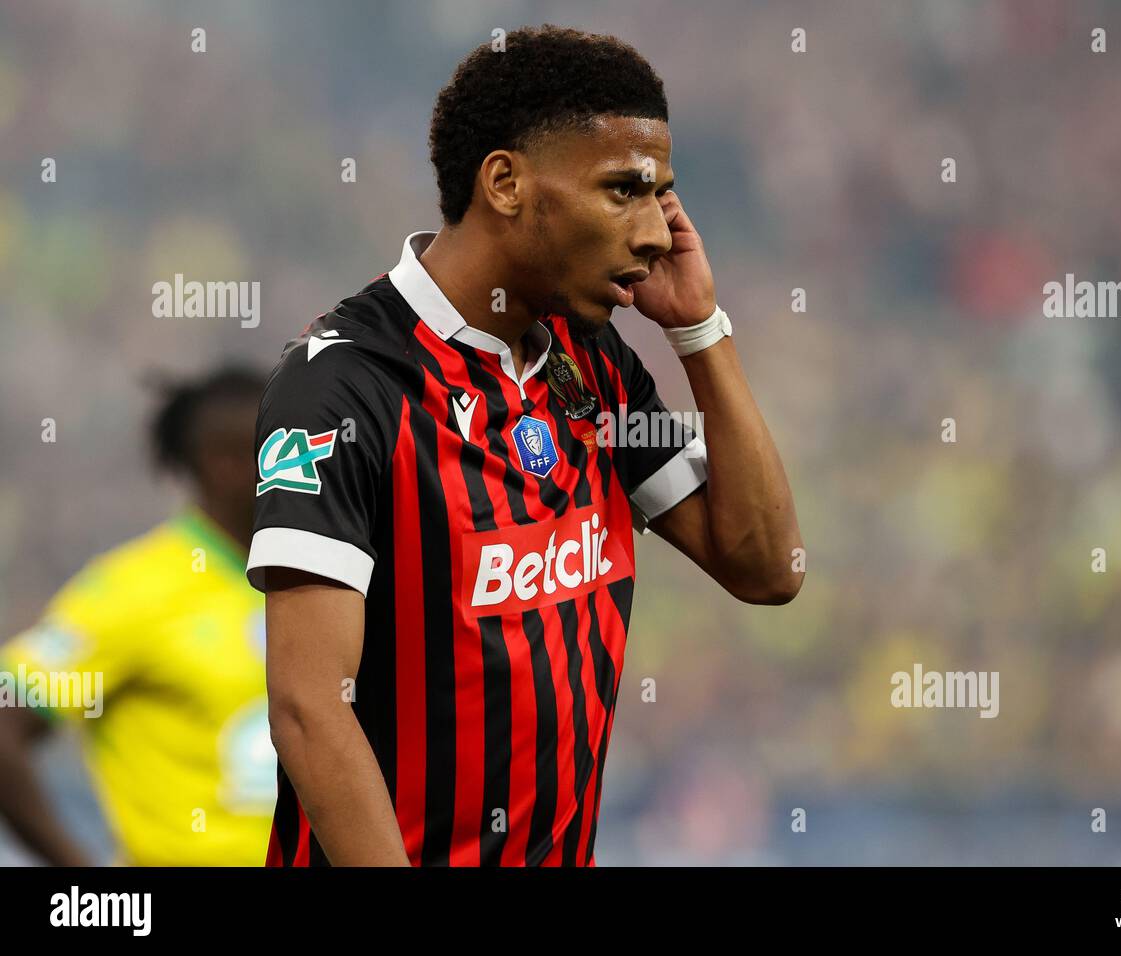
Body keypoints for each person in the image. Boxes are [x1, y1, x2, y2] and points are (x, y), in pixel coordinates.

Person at [247, 25, 803, 867]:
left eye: (661, 196)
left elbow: (766, 568)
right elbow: (308, 709)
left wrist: (699, 331)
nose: (656, 232)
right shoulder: (342, 387)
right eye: (623, 190)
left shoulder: (594, 365)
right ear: (505, 182)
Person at [0, 367, 276, 866]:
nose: (321, 467)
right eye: (290, 449)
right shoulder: (135, 591)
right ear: (226, 463)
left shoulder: (317, 584)